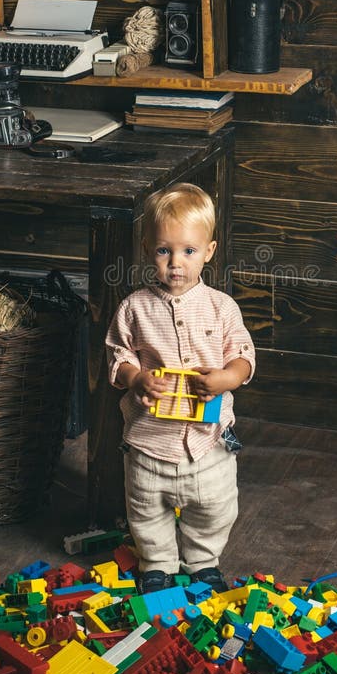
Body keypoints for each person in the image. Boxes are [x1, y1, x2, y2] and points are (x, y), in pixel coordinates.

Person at [106, 182, 255, 595]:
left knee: (215, 508)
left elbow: (243, 356)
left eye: (188, 251)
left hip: (208, 443)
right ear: (147, 250)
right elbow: (118, 355)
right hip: (150, 441)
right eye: (163, 250)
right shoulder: (134, 307)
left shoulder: (222, 307)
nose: (176, 262)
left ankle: (202, 560)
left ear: (208, 251)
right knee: (145, 510)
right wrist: (136, 378)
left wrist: (226, 378)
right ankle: (156, 563)